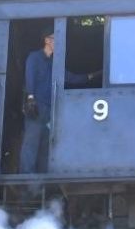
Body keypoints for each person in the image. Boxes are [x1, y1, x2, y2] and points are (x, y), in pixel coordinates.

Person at [19, 31, 96, 173]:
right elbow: (30, 77)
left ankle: (41, 177)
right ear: (47, 40)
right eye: (56, 39)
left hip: (50, 107)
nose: (59, 43)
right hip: (36, 105)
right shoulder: (34, 57)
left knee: (45, 145)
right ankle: (26, 175)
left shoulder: (54, 63)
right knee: (31, 141)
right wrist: (30, 98)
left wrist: (90, 76)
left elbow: (69, 77)